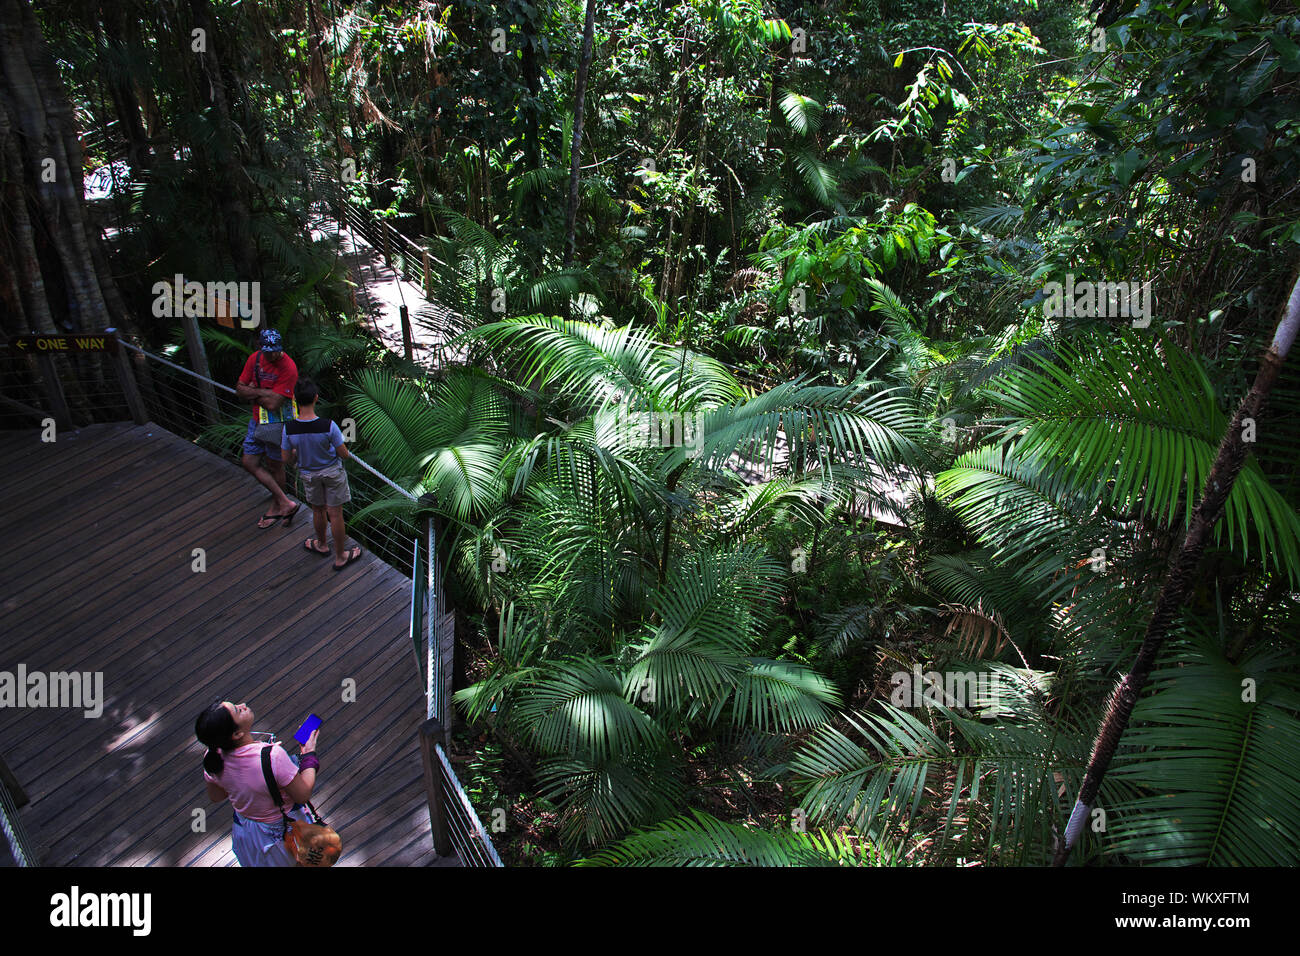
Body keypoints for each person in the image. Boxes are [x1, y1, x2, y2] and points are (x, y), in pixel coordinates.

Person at [195, 700, 320, 867]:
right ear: (237, 734)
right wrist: (308, 756)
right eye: (238, 710)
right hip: (282, 834)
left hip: (247, 834)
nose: (243, 704)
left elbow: (216, 795)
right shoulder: (272, 756)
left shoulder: (212, 756)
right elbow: (302, 794)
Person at [281, 378, 362, 570]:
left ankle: (322, 544)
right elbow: (343, 453)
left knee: (318, 510)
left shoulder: (289, 429)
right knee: (335, 514)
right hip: (332, 473)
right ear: (316, 398)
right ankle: (341, 556)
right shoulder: (328, 425)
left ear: (295, 399)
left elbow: (286, 458)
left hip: (309, 475)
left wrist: (296, 454)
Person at [236, 329, 301, 528]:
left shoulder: (288, 367)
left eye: (276, 351)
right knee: (249, 461)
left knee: (275, 466)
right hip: (257, 421)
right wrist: (264, 393)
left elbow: (275, 404)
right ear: (260, 348)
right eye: (268, 351)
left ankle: (277, 506)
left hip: (278, 424)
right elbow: (239, 388)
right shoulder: (255, 359)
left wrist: (253, 393)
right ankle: (284, 502)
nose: (273, 355)